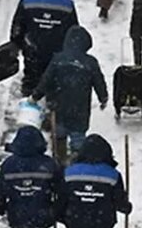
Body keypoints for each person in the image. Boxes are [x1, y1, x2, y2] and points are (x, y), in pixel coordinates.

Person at [32, 25, 108, 163]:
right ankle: (76, 163)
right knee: (78, 137)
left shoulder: (58, 59)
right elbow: (99, 81)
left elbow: (46, 80)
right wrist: (103, 98)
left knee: (59, 136)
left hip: (59, 107)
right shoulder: (90, 62)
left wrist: (36, 95)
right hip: (80, 110)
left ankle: (60, 162)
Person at [10, 0, 79, 97]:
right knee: (54, 84)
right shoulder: (67, 4)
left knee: (31, 81)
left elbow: (18, 26)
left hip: (33, 51)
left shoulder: (27, 0)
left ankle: (30, 106)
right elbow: (74, 31)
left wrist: (16, 44)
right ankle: (51, 109)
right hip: (56, 53)